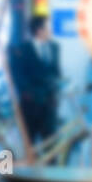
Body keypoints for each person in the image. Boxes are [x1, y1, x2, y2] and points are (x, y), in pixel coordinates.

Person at [13, 15, 61, 143]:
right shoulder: (23, 50)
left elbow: (56, 72)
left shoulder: (55, 47)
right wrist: (31, 94)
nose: (51, 31)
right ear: (39, 31)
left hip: (49, 105)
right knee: (30, 144)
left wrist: (56, 88)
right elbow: (18, 77)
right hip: (31, 106)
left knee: (51, 145)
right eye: (48, 27)